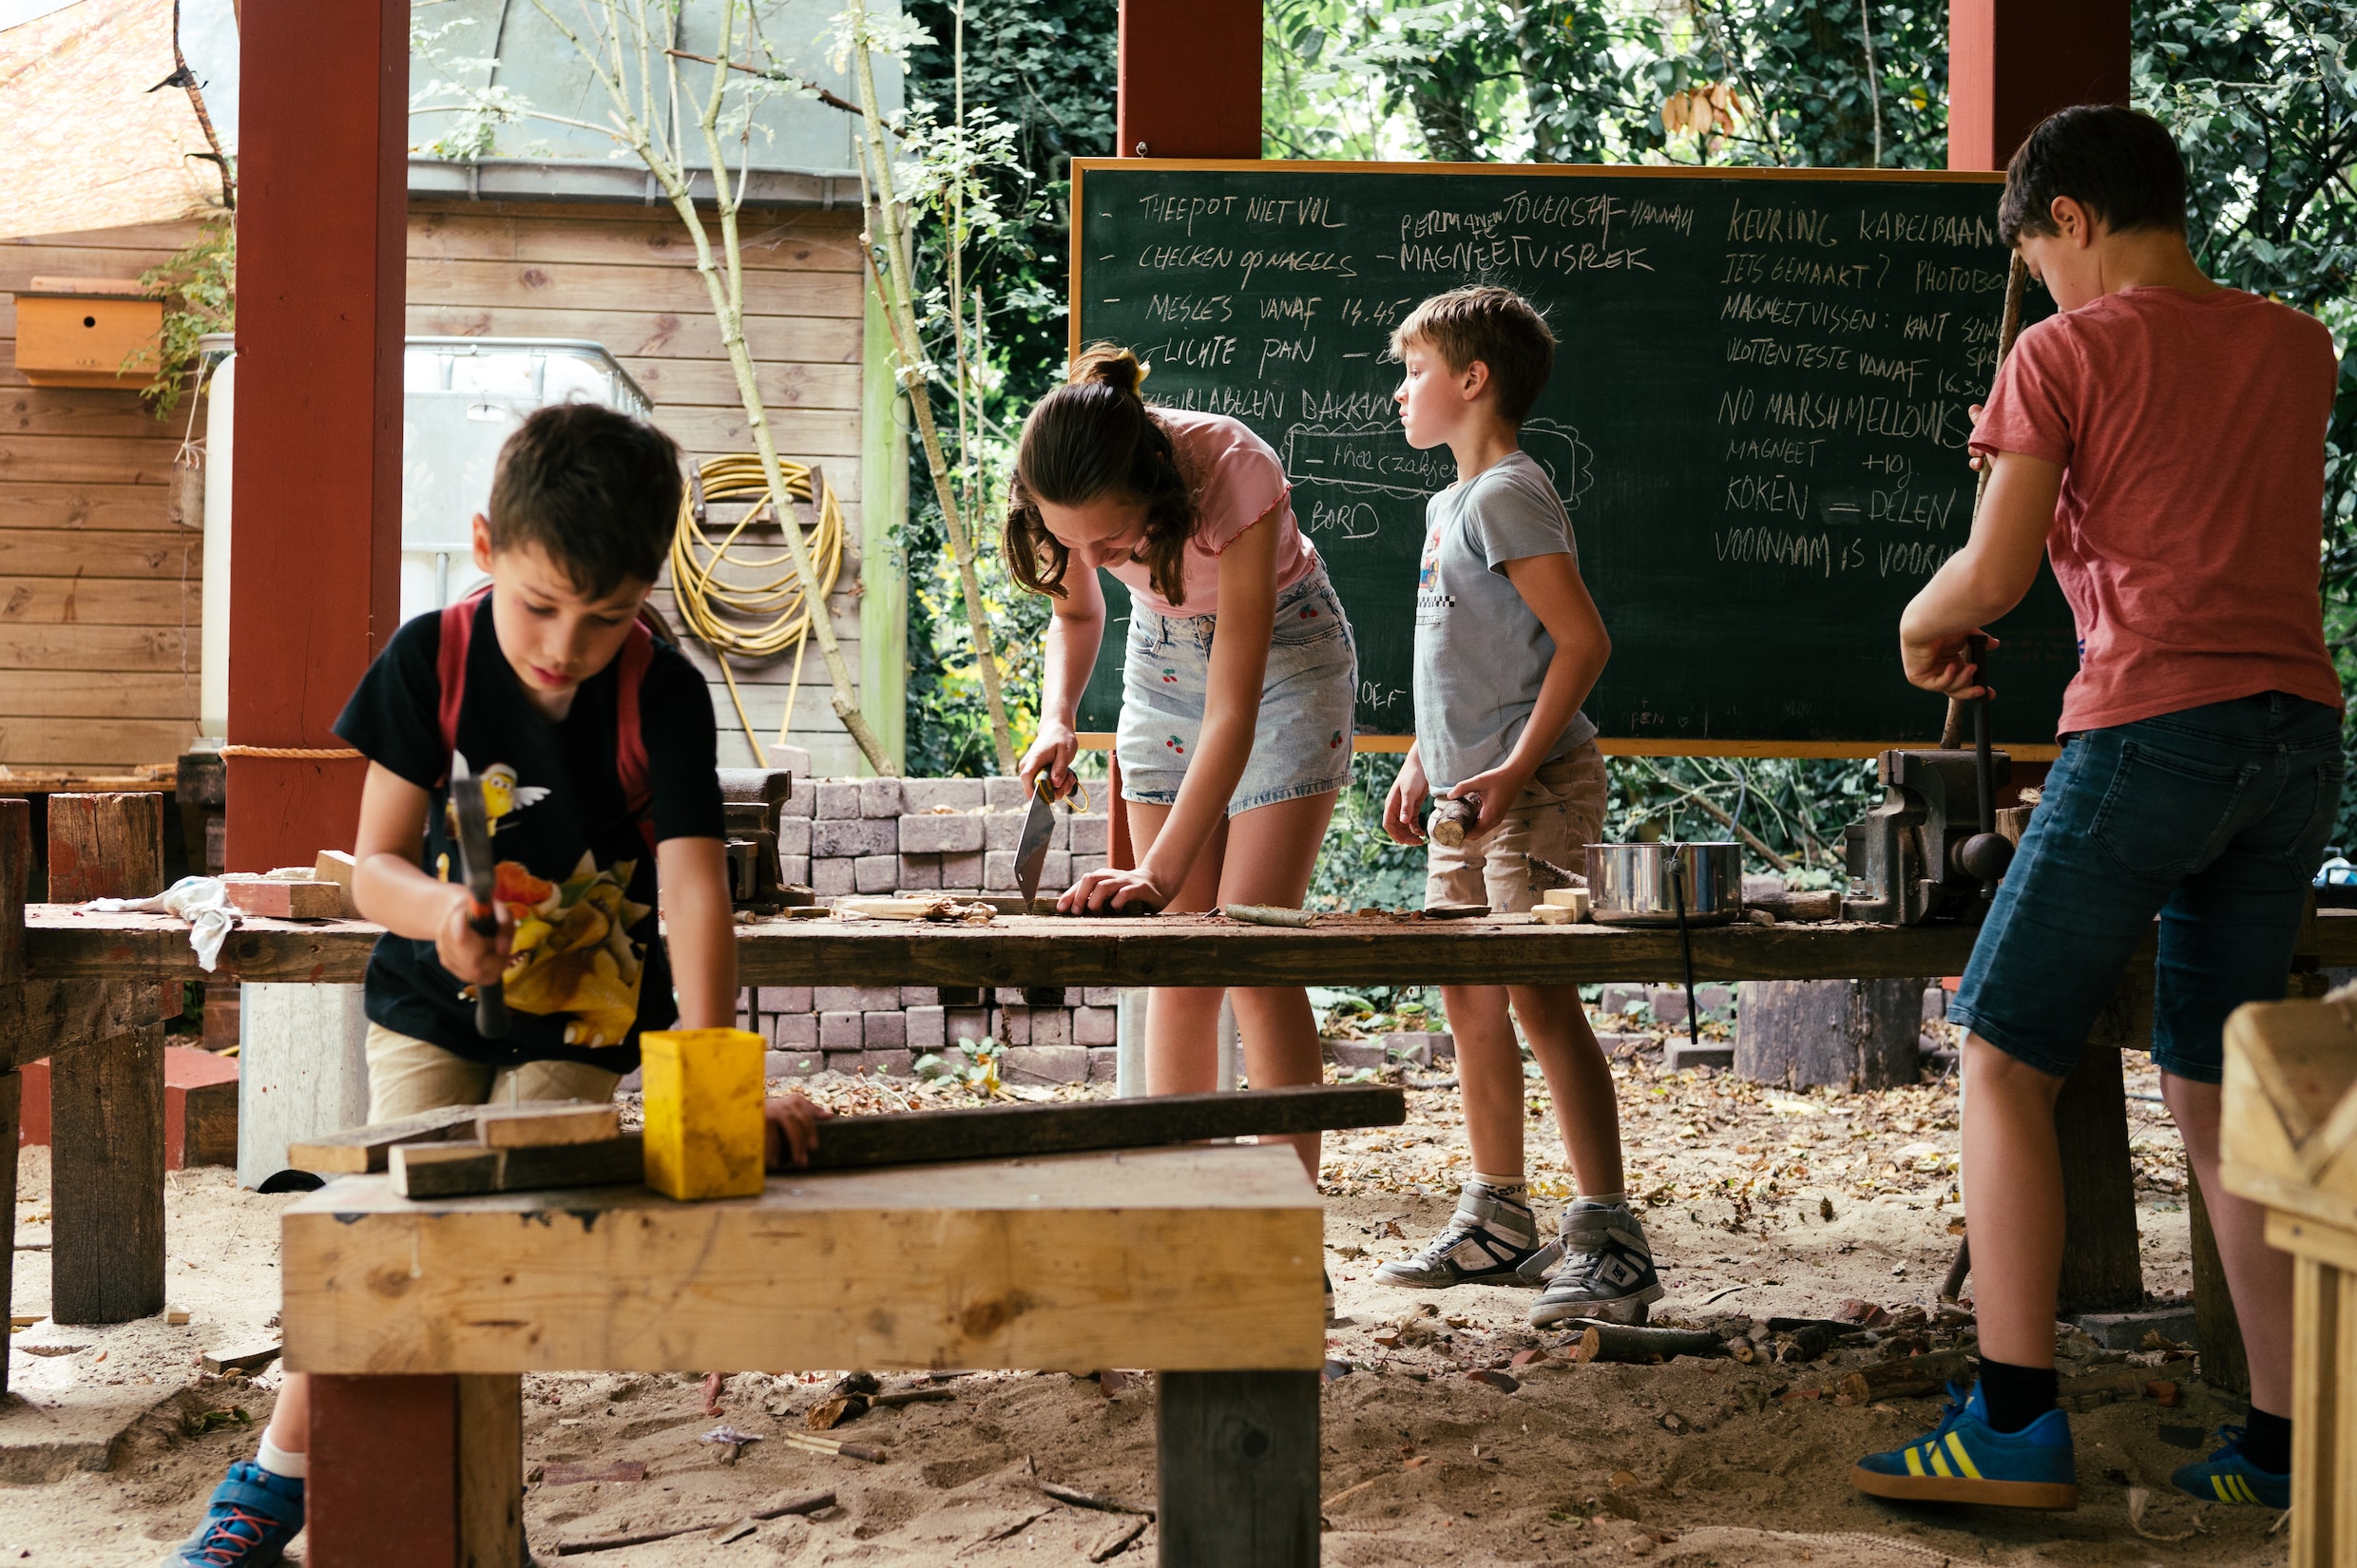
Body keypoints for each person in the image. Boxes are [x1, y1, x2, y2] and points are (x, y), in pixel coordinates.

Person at [161, 405, 827, 1567]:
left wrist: (719, 1080)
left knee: (502, 1242)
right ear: (484, 545)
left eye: (606, 616)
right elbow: (370, 866)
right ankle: (273, 1491)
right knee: (387, 1231)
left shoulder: (662, 693)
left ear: (643, 595)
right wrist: (441, 918)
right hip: (428, 996)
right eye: (540, 606)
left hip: (591, 1007)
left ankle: (456, 1509)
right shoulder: (432, 658)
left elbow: (692, 893)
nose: (566, 645)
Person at [1853, 105, 2343, 1512]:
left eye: (2040, 254)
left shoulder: (2060, 351)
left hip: (2152, 732)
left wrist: (1918, 621)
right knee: (2213, 1079)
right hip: (2295, 735)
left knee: (2004, 1050)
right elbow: (2192, 496)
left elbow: (1990, 582)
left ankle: (2012, 1421)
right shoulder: (2293, 343)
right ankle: (2282, 1442)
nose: (2044, 284)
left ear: (2067, 218)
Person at [1370, 285, 1659, 1329]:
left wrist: (1505, 774)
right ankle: (1496, 1219)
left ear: (1471, 380)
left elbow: (1581, 645)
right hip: (1467, 790)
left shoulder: (1505, 493)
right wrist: (1421, 758)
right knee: (1466, 992)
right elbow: (1479, 660)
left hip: (1531, 789)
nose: (1400, 393)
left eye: (1413, 373)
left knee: (1539, 995)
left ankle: (1608, 1235)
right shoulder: (1448, 504)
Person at [1006, 346, 1359, 1182]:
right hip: (1160, 656)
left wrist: (1157, 872)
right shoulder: (1054, 491)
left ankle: (1285, 1232)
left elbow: (1232, 711)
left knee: (1248, 946)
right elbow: (1080, 616)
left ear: (1158, 495)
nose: (1088, 558)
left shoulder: (1231, 468)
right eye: (1067, 538)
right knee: (1179, 964)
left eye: (1111, 538)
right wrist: (1059, 718)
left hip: (1284, 657)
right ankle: (1188, 1217)